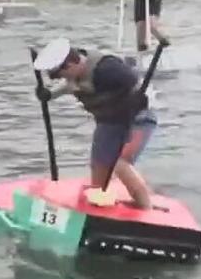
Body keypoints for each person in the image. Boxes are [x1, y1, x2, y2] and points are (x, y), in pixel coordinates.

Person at [33, 38, 158, 209]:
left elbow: (136, 82)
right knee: (100, 167)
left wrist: (135, 100)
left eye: (58, 74)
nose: (59, 79)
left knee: (120, 162)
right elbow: (69, 87)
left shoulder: (107, 69)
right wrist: (47, 95)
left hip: (137, 118)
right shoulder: (75, 74)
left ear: (70, 64)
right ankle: (100, 205)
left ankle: (146, 208)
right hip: (108, 121)